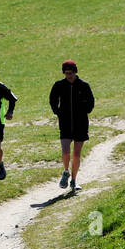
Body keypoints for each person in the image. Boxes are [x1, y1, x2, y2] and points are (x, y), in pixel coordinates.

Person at [49, 59, 95, 193]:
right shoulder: (58, 85)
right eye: (66, 73)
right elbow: (53, 99)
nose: (69, 75)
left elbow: (91, 101)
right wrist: (57, 112)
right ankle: (66, 172)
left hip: (81, 123)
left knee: (76, 154)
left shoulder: (83, 85)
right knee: (65, 151)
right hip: (65, 123)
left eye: (71, 73)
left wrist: (85, 110)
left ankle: (74, 181)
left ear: (75, 72)